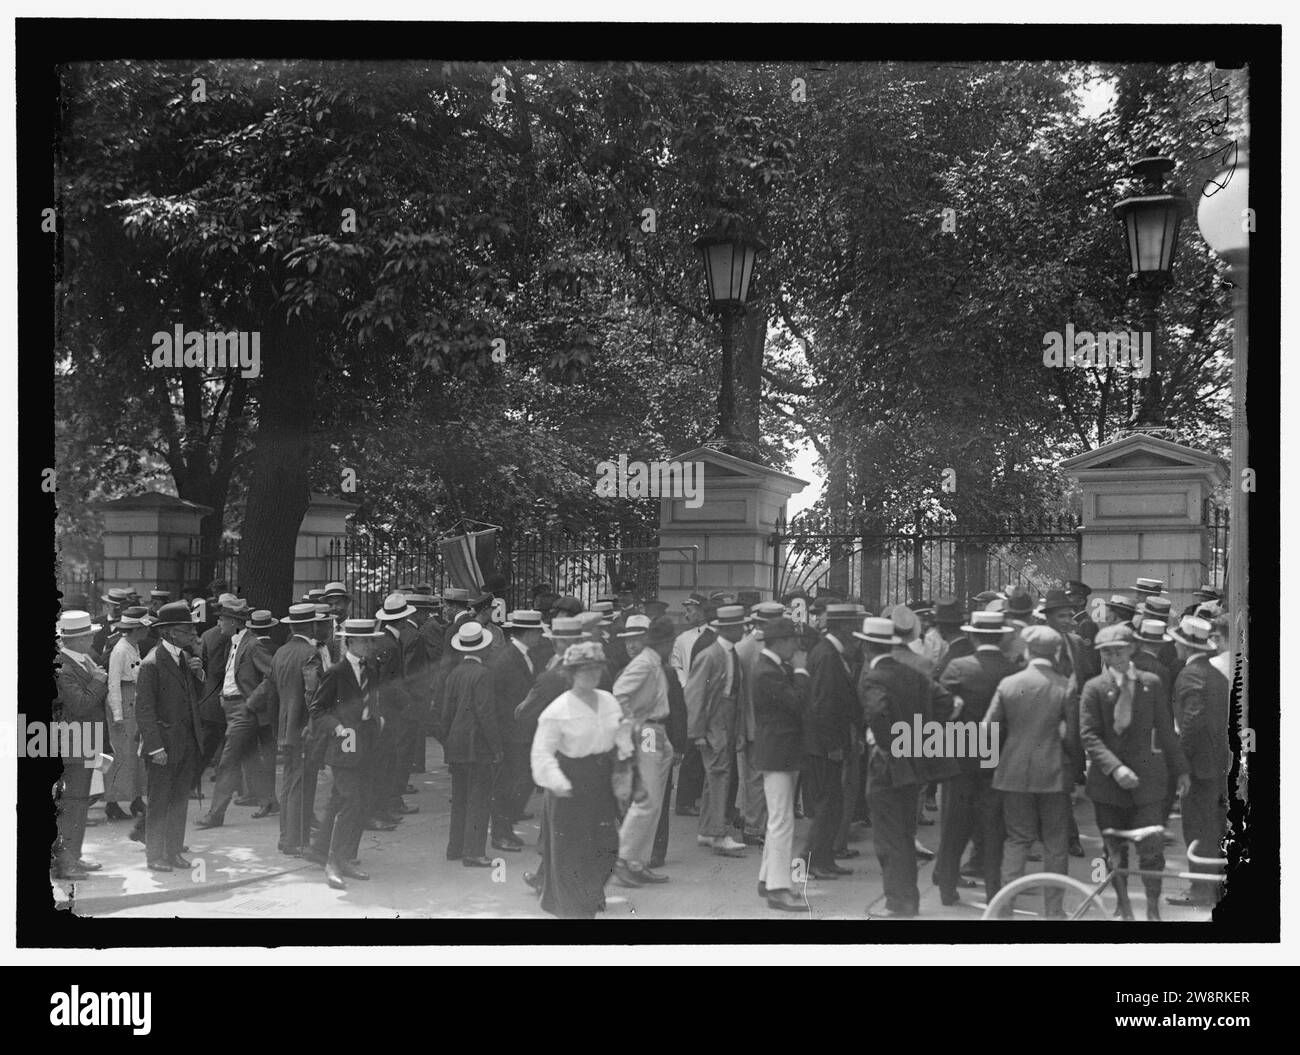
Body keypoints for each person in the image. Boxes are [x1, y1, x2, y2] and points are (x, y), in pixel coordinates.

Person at [1079, 623, 1189, 921]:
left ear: (1132, 650)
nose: (1113, 657)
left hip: (1148, 785)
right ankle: (1123, 906)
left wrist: (1180, 769)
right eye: (1106, 652)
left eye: (1118, 650)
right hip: (1108, 787)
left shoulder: (1151, 683)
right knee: (1114, 851)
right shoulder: (1093, 688)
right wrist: (1115, 768)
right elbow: (1089, 735)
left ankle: (1153, 910)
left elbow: (1166, 731)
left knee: (1151, 851)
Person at [856, 616, 958, 918]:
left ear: (865, 646)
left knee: (889, 837)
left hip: (886, 765)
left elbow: (876, 712)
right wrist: (919, 735)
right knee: (903, 832)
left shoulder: (875, 677)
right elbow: (946, 702)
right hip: (915, 762)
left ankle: (897, 903)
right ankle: (908, 898)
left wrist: (888, 745)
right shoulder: (912, 673)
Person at [530, 641, 632, 918]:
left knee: (607, 849)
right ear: (571, 673)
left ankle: (585, 900)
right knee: (570, 856)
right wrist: (557, 782)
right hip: (569, 785)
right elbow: (541, 753)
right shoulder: (558, 710)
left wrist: (625, 752)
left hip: (601, 782)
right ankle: (575, 912)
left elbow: (620, 731)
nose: (592, 675)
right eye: (585, 670)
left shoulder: (608, 701)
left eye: (597, 669)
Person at [982, 625, 1076, 917]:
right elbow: (1073, 737)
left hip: (1013, 771)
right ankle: (1053, 911)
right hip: (1054, 772)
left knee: (1017, 840)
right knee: (1055, 843)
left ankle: (1004, 908)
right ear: (1056, 652)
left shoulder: (1010, 683)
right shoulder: (1065, 686)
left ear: (1028, 650)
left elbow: (987, 729)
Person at [934, 610, 1019, 907]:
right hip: (999, 761)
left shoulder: (958, 667)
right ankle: (994, 892)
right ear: (1001, 636)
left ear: (972, 635)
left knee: (955, 827)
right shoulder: (1012, 670)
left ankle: (947, 887)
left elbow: (939, 706)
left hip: (962, 758)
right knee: (995, 831)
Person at [308, 618, 384, 889]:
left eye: (371, 640)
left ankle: (341, 855)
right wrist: (337, 727)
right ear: (350, 642)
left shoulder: (371, 670)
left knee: (357, 801)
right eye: (365, 641)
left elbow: (370, 700)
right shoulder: (337, 672)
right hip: (344, 742)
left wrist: (376, 718)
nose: (370, 645)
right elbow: (317, 710)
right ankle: (334, 861)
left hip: (365, 740)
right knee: (351, 800)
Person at [134, 602, 206, 873]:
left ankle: (173, 851)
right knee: (159, 802)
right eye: (186, 630)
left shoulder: (184, 659)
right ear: (169, 633)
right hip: (163, 746)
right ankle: (154, 856)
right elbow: (144, 710)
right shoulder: (152, 663)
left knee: (178, 802)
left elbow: (190, 698)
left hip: (185, 742)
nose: (192, 634)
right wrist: (154, 748)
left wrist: (198, 674)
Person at [1165, 616, 1229, 909]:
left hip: (1197, 767)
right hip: (1215, 763)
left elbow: (1191, 724)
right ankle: (1211, 886)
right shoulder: (1215, 675)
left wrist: (1180, 765)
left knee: (1197, 829)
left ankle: (1200, 890)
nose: (1175, 645)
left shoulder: (1190, 675)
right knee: (1211, 827)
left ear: (1185, 645)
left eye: (1177, 641)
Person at [195, 600, 278, 828]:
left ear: (233, 622)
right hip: (232, 708)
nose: (218, 622)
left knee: (227, 762)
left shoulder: (251, 645)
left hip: (243, 710)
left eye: (222, 618)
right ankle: (268, 800)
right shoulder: (235, 642)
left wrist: (251, 702)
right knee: (250, 757)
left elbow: (273, 674)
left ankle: (215, 814)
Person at [752, 617, 810, 912]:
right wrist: (801, 670)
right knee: (781, 822)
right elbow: (797, 703)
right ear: (781, 642)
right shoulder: (767, 672)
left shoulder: (772, 667)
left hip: (780, 751)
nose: (797, 646)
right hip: (777, 753)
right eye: (793, 641)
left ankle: (768, 879)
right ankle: (778, 887)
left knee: (780, 819)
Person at [610, 614, 673, 886]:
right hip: (646, 730)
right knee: (647, 799)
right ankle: (622, 858)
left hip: (657, 729)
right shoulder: (646, 663)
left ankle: (637, 861)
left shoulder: (654, 661)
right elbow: (618, 692)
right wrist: (632, 723)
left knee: (655, 802)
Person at [685, 604, 749, 857]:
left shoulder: (730, 653)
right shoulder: (711, 655)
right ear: (730, 629)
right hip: (715, 719)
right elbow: (695, 694)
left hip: (727, 716)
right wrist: (697, 732)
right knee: (719, 774)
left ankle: (707, 830)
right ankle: (717, 833)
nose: (743, 630)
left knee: (716, 774)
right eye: (740, 626)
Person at [436, 620, 502, 867]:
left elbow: (445, 712)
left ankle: (455, 846)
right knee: (479, 798)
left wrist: (447, 740)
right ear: (482, 648)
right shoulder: (483, 674)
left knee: (460, 796)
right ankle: (473, 850)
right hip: (478, 746)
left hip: (457, 744)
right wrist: (496, 747)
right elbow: (486, 713)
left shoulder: (454, 674)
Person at [803, 604, 861, 880]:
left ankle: (823, 860)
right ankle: (812, 860)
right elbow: (823, 705)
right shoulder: (828, 656)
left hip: (826, 743)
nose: (858, 630)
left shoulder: (829, 653)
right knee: (827, 804)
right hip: (825, 745)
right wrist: (832, 745)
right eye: (855, 624)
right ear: (844, 626)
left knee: (832, 803)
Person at [53, 611, 110, 879]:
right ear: (75, 639)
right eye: (87, 636)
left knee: (80, 802)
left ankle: (74, 856)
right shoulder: (64, 668)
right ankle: (66, 863)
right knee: (73, 805)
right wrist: (99, 681)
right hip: (73, 745)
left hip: (85, 742)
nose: (91, 639)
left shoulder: (83, 660)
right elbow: (81, 704)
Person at [488, 610, 546, 853]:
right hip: (512, 734)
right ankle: (501, 832)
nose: (541, 635)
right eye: (537, 631)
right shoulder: (508, 658)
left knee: (521, 780)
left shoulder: (520, 655)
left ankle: (506, 828)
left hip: (520, 733)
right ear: (529, 633)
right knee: (509, 783)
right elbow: (506, 700)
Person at [272, 604, 328, 857]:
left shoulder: (281, 652)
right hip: (305, 728)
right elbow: (313, 694)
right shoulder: (310, 654)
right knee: (301, 785)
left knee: (289, 783)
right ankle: (296, 840)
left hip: (286, 726)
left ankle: (287, 838)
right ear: (312, 626)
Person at [736, 601, 785, 847]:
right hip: (757, 723)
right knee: (756, 777)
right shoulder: (750, 648)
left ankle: (755, 821)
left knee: (757, 776)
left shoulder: (746, 646)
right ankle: (754, 825)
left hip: (758, 723)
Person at [103, 607, 151, 823]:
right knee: (123, 754)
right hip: (123, 699)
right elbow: (113, 682)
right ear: (136, 628)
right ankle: (112, 802)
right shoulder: (120, 650)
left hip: (134, 696)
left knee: (137, 753)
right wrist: (117, 714)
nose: (147, 630)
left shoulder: (134, 646)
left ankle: (136, 798)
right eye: (144, 627)